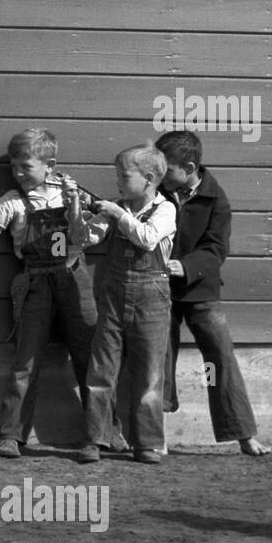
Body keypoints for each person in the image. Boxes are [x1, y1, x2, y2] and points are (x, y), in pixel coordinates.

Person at [0, 128, 123, 458]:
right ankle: (10, 436)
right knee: (25, 362)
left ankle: (106, 434)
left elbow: (99, 229)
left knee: (90, 359)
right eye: (15, 168)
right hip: (35, 284)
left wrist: (87, 203)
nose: (19, 174)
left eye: (26, 167)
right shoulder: (12, 202)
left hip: (75, 279)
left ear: (50, 164)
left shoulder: (73, 192)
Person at [155, 131, 270, 457]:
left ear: (189, 167)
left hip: (200, 289)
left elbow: (216, 249)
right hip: (160, 290)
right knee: (159, 357)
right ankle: (156, 435)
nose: (161, 176)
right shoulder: (158, 191)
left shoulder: (216, 198)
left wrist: (186, 267)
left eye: (167, 170)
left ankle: (244, 435)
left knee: (220, 357)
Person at [69, 144, 177, 464]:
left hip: (152, 298)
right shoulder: (116, 207)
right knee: (101, 370)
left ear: (149, 179)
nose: (117, 181)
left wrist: (116, 213)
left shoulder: (166, 210)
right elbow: (84, 239)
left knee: (149, 375)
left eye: (123, 175)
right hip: (114, 297)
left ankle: (147, 443)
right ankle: (94, 440)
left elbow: (146, 238)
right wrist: (76, 209)